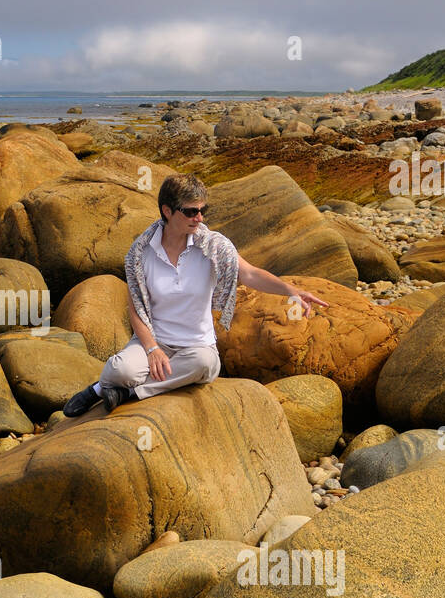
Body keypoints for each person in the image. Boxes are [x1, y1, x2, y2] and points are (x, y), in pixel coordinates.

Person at [63, 172, 329, 416]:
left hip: (196, 346)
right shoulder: (140, 252)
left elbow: (249, 273)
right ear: (167, 211)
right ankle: (100, 388)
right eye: (190, 212)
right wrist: (153, 349)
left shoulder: (214, 247)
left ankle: (127, 392)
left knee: (203, 365)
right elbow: (136, 308)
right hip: (155, 341)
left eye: (203, 210)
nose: (199, 218)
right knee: (121, 369)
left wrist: (290, 291)